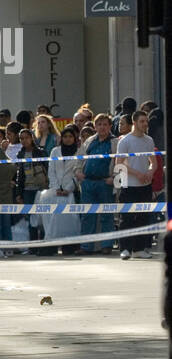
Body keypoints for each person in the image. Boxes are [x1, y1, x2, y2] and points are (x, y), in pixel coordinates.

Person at [116, 109, 157, 259]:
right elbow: (119, 164)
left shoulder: (149, 140)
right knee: (126, 218)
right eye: (142, 121)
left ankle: (139, 249)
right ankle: (125, 248)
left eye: (146, 121)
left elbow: (154, 163)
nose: (145, 124)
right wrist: (137, 173)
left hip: (145, 186)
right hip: (129, 185)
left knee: (143, 217)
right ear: (134, 123)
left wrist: (150, 172)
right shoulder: (125, 141)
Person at [77, 113, 117, 254]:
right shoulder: (89, 141)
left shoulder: (115, 142)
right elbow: (79, 158)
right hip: (88, 182)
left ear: (110, 126)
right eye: (99, 124)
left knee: (107, 215)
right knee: (88, 215)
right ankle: (86, 246)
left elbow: (122, 162)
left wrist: (114, 179)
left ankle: (107, 245)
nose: (102, 127)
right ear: (95, 126)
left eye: (105, 124)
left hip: (105, 182)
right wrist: (78, 173)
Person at [42, 124, 82, 255]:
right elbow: (51, 171)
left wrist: (68, 189)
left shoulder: (79, 152)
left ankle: (69, 246)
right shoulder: (55, 151)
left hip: (70, 192)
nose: (68, 139)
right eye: (65, 136)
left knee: (69, 220)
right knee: (52, 220)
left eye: (71, 136)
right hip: (54, 191)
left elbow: (78, 174)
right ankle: (51, 246)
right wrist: (55, 188)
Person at [15, 128, 48, 253]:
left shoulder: (41, 152)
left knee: (43, 217)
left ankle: (44, 246)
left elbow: (47, 170)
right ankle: (33, 247)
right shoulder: (20, 155)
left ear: (32, 138)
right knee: (30, 219)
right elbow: (19, 176)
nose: (24, 140)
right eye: (21, 138)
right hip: (27, 190)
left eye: (26, 137)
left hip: (41, 190)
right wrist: (19, 193)